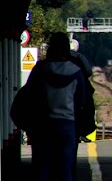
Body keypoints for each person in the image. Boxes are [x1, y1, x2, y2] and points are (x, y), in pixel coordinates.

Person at [25, 33, 91, 181]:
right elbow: (84, 100)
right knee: (66, 168)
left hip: (43, 126)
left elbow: (29, 96)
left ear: (50, 48)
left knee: (42, 168)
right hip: (68, 125)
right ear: (67, 48)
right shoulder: (76, 72)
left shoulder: (41, 70)